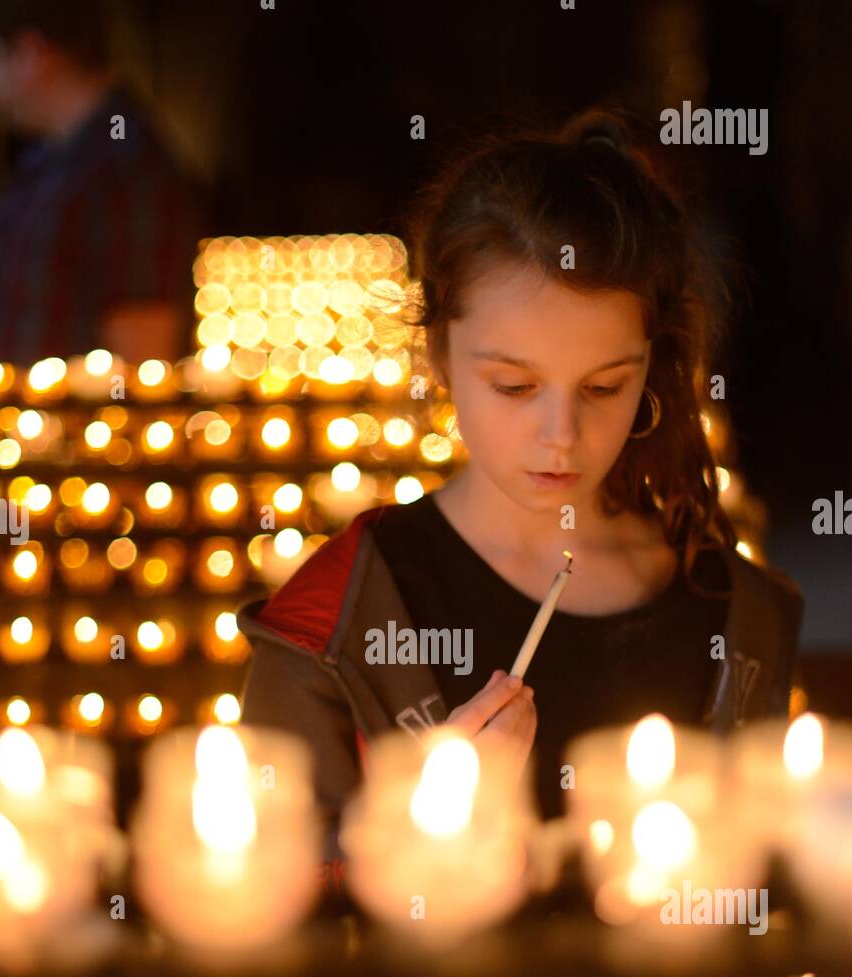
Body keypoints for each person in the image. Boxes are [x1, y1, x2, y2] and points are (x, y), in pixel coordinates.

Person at [237, 109, 803, 890]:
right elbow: (246, 900)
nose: (561, 435)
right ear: (438, 353)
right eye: (514, 385)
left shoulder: (735, 615)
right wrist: (413, 833)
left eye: (605, 386)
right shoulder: (337, 624)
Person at [0, 0, 203, 363]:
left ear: (32, 54)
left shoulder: (128, 168)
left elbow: (142, 360)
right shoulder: (44, 160)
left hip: (75, 420)